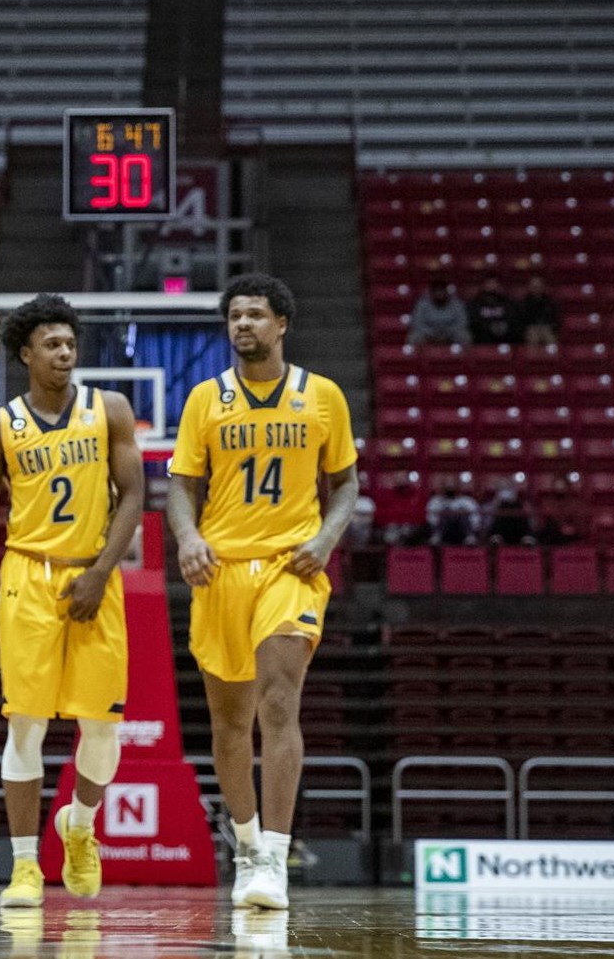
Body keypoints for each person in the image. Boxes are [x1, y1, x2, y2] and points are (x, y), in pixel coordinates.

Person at [0, 294, 145, 908]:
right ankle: (25, 865)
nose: (65, 352)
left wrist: (102, 571)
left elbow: (134, 497)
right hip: (28, 579)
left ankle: (79, 825)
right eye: (52, 344)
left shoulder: (109, 409)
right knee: (25, 725)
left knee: (102, 732)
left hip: (93, 577)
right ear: (26, 354)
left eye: (70, 343)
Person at [167, 273, 359, 911]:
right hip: (221, 571)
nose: (242, 324)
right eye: (234, 316)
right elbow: (179, 488)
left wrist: (328, 537)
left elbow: (348, 485)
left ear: (282, 324)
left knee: (280, 704)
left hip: (290, 569)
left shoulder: (323, 396)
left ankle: (274, 856)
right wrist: (189, 539)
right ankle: (246, 848)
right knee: (229, 726)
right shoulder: (204, 399)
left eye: (254, 314)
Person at [406, 277, 470, 347]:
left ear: (446, 292)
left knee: (465, 337)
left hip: (451, 332)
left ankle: (461, 357)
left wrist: (448, 333)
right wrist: (431, 333)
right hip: (428, 332)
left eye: (441, 291)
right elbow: (417, 323)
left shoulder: (457, 303)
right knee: (414, 338)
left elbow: (462, 322)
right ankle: (421, 357)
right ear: (431, 293)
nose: (439, 294)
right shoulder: (422, 303)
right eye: (436, 291)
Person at [373, 473, 427, 546]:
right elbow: (380, 514)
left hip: (409, 527)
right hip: (391, 527)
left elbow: (420, 515)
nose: (401, 479)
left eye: (403, 476)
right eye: (398, 476)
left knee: (409, 532)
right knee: (390, 536)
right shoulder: (386, 494)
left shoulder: (414, 494)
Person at [534, 475, 588, 545]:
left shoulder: (575, 503)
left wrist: (572, 528)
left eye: (562, 485)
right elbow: (542, 522)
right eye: (558, 485)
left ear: (567, 486)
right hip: (551, 534)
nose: (560, 487)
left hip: (569, 534)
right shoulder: (547, 502)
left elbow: (579, 522)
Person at [426, 477, 480, 546]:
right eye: (448, 488)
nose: (450, 490)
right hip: (443, 531)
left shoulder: (467, 500)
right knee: (445, 513)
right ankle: (436, 537)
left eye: (453, 488)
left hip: (462, 531)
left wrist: (474, 528)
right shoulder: (436, 500)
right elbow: (430, 517)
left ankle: (470, 538)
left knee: (462, 514)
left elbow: (475, 517)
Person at [467, 274, 517, 346]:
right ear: (484, 285)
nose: (492, 286)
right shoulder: (476, 302)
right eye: (489, 283)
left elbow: (511, 317)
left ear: (498, 285)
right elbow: (474, 320)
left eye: (494, 283)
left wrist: (503, 325)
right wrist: (489, 326)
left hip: (503, 332)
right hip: (483, 334)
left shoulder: (506, 301)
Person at [483, 481, 536, 546]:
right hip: (501, 531)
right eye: (505, 504)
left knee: (520, 518)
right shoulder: (494, 507)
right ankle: (496, 538)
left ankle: (527, 538)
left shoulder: (520, 507)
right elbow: (487, 523)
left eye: (509, 504)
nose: (507, 507)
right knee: (498, 521)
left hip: (518, 531)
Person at [515, 274, 561, 347]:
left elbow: (556, 320)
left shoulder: (550, 302)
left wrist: (549, 327)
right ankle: (532, 357)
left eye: (539, 286)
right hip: (530, 330)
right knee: (533, 337)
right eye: (534, 286)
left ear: (543, 287)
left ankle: (552, 357)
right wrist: (529, 329)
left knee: (550, 339)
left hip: (546, 329)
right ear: (529, 287)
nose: (537, 288)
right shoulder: (523, 303)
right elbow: (519, 322)